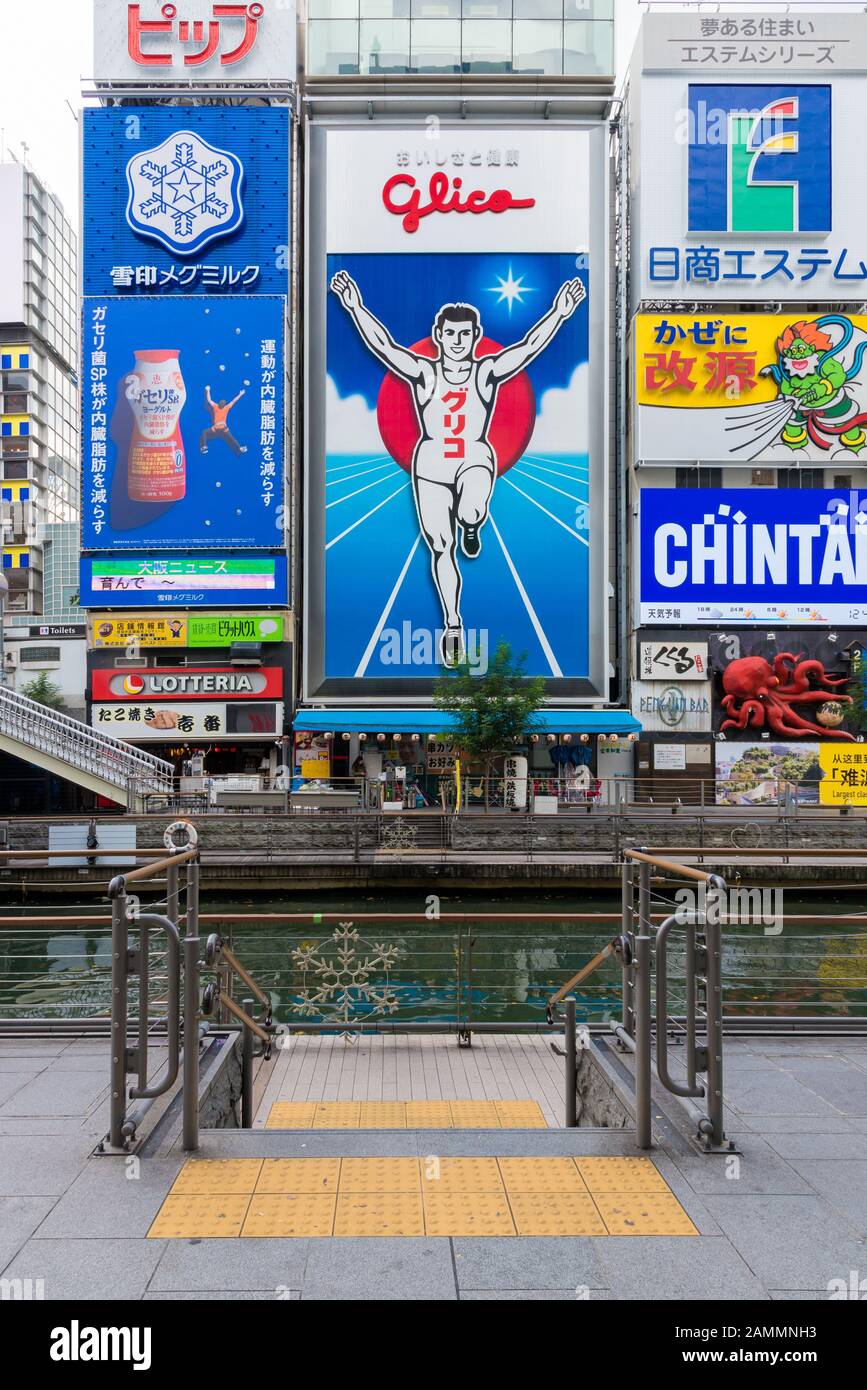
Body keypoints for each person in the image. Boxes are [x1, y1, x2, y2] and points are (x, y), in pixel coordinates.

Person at [331, 269, 585, 666]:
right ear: (439, 336)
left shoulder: (485, 373)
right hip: (430, 462)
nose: (457, 342)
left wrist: (560, 312)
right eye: (450, 334)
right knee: (439, 545)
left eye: (465, 335)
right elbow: (384, 346)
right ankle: (452, 621)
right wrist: (354, 306)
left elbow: (529, 347)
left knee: (471, 509)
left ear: (474, 337)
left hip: (473, 457)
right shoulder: (424, 373)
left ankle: (471, 523)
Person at [200, 384, 248, 456]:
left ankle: (204, 447)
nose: (221, 404)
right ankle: (240, 448)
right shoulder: (226, 407)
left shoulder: (216, 406)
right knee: (231, 438)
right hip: (223, 429)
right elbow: (234, 401)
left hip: (216, 429)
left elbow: (209, 400)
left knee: (204, 433)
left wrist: (208, 390)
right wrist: (240, 394)